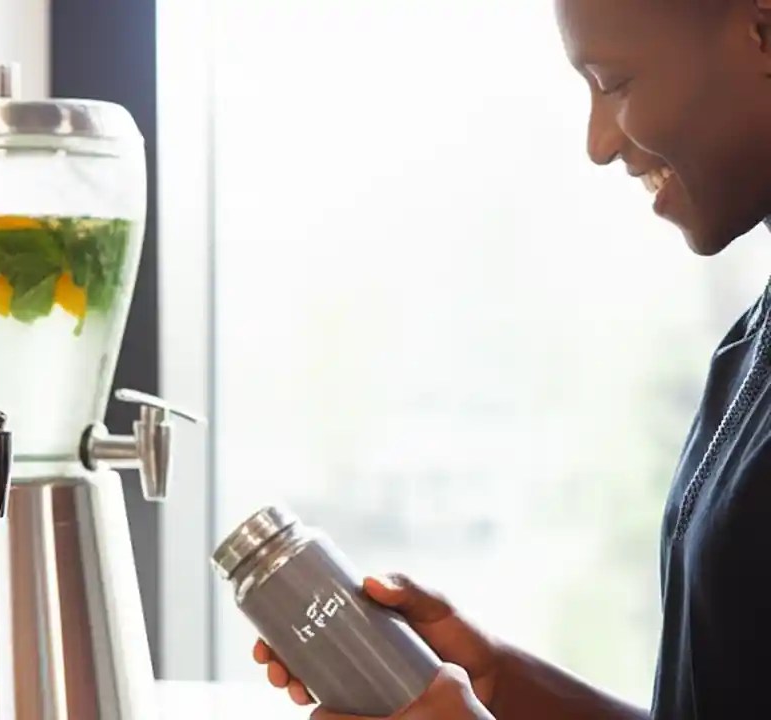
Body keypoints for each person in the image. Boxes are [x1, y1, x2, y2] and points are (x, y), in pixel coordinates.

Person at [255, 1, 771, 718]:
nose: (597, 142)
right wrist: (499, 681)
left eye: (615, 83)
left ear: (762, 32)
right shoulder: (751, 347)